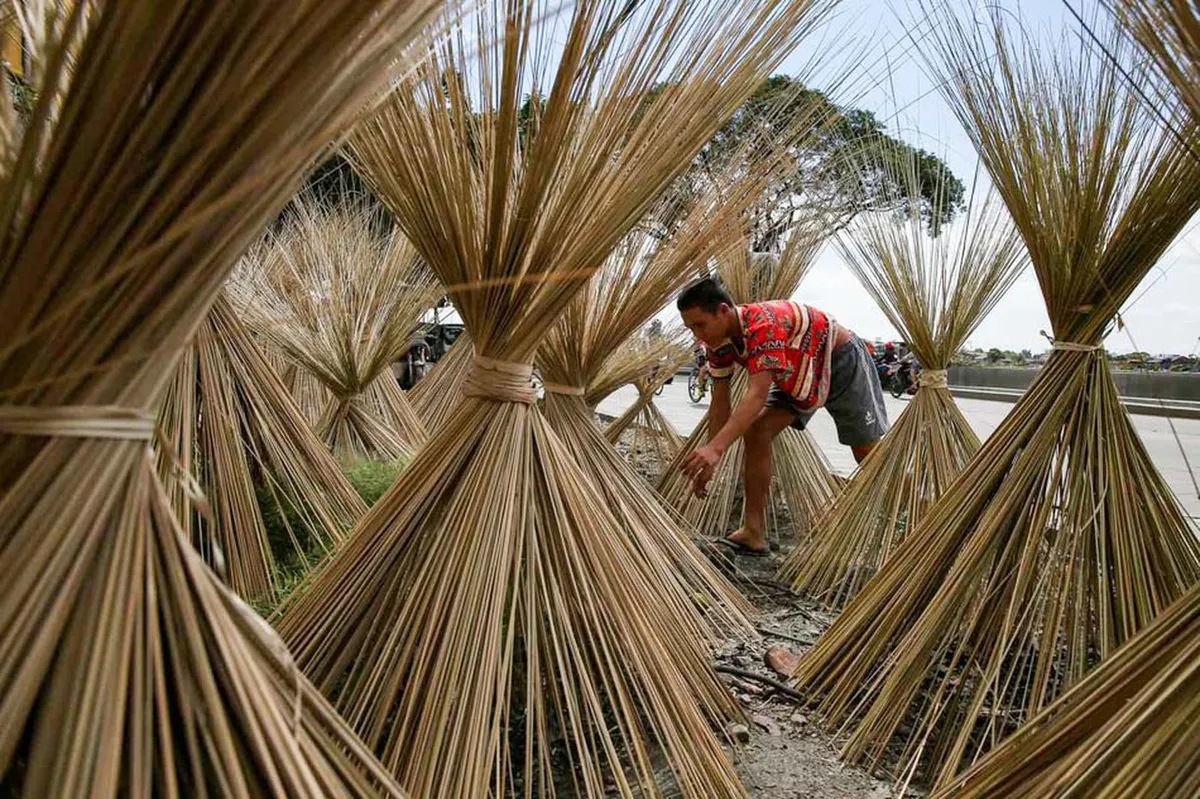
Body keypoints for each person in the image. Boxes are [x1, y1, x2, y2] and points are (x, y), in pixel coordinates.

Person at [677, 276, 889, 556]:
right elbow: (720, 401)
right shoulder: (718, 343)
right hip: (796, 373)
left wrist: (716, 449)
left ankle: (906, 505)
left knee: (865, 451)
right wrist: (711, 456)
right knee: (757, 431)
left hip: (838, 359)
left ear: (724, 311)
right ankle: (753, 533)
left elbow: (757, 394)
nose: (697, 335)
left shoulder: (763, 324)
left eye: (700, 325)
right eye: (690, 327)